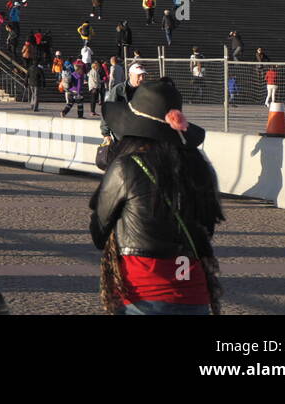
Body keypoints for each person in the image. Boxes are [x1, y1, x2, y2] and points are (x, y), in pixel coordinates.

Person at [90, 77, 223, 314]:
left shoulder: (125, 167)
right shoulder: (200, 166)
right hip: (194, 296)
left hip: (142, 295)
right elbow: (207, 229)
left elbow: (99, 234)